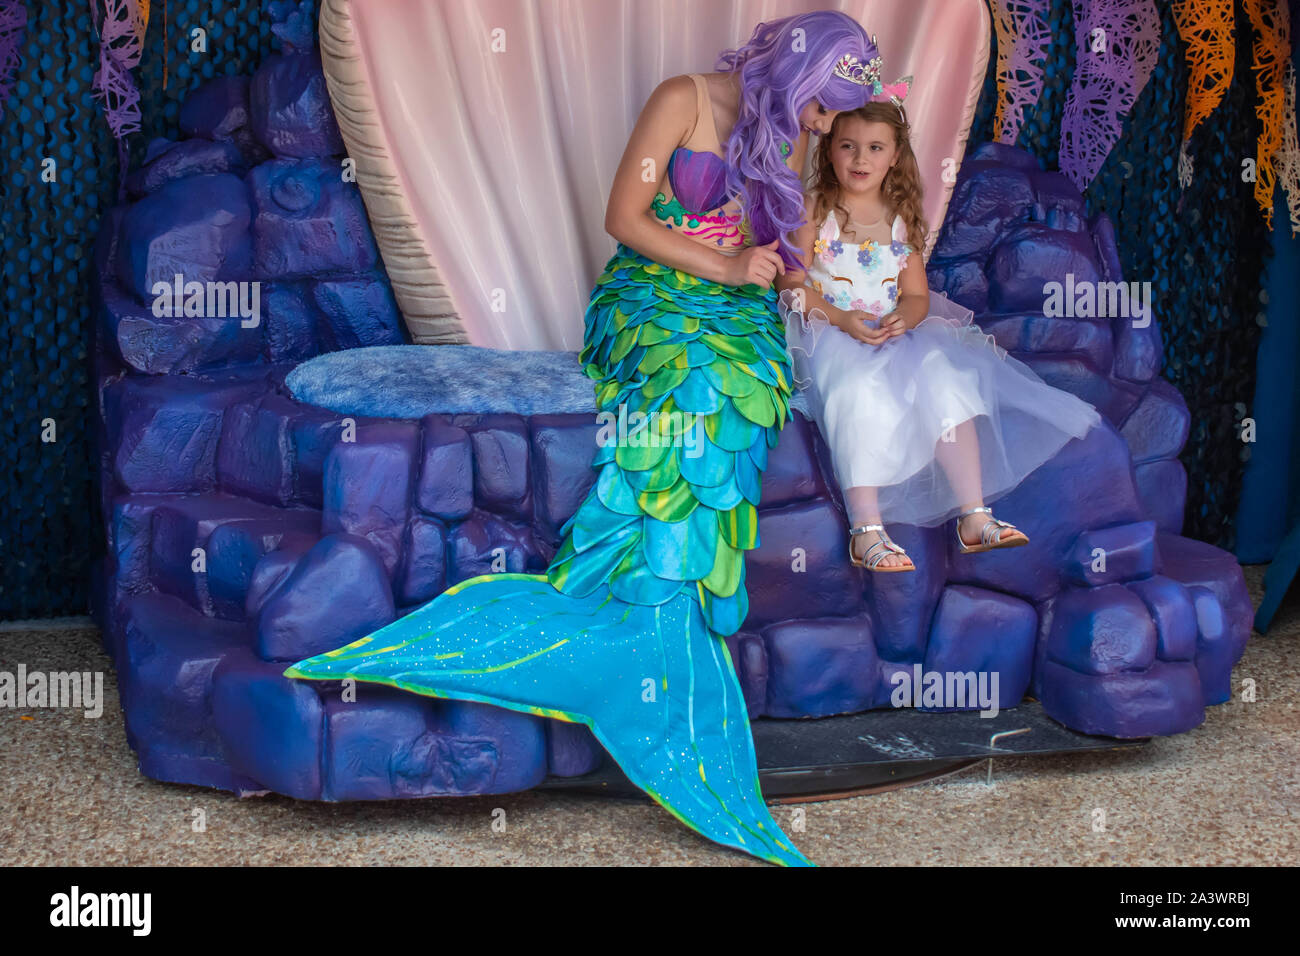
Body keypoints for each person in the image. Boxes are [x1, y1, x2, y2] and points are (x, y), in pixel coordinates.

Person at [285, 11, 889, 867]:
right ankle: (626, 632)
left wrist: (814, 291)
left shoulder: (791, 133)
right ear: (799, 75)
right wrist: (720, 265)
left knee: (746, 398)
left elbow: (777, 249)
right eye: (825, 106)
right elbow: (625, 215)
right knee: (689, 385)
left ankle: (653, 623)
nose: (829, 126)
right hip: (652, 297)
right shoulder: (683, 98)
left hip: (738, 315)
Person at [777, 102, 1102, 572]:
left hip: (888, 332)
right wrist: (841, 318)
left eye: (874, 148)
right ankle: (866, 530)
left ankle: (974, 515)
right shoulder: (815, 210)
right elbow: (791, 286)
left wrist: (903, 320)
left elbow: (915, 296)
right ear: (828, 151)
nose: (860, 159)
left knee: (945, 376)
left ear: (894, 156)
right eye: (847, 146)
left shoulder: (899, 217)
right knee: (854, 390)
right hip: (828, 332)